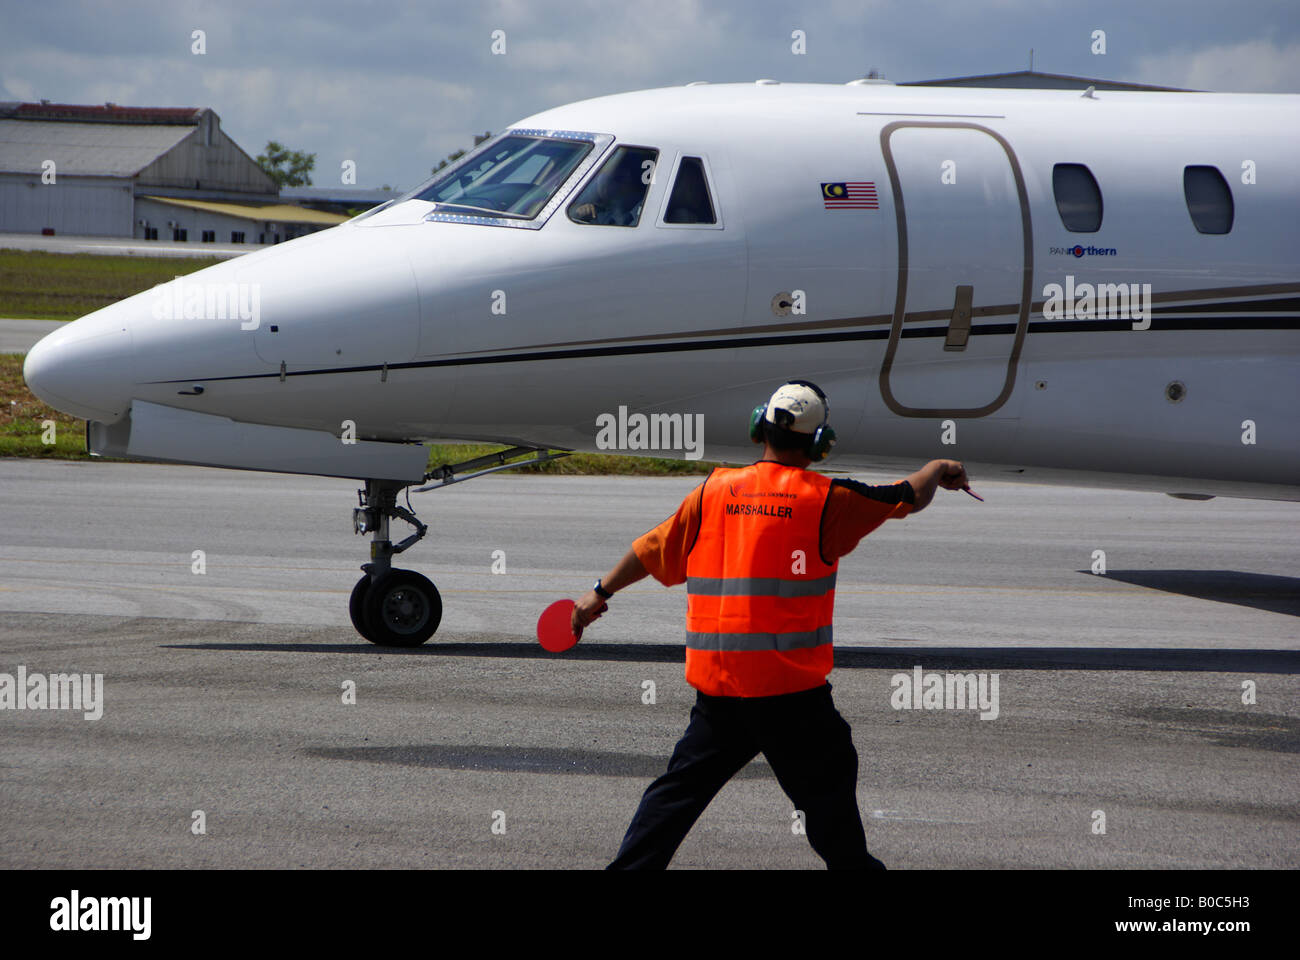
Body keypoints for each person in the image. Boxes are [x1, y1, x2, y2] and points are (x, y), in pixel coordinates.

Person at [572, 380, 971, 869]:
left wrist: (599, 593)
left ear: (759, 426)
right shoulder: (829, 499)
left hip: (719, 691)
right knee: (829, 789)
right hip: (790, 699)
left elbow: (651, 549)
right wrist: (939, 468)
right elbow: (907, 494)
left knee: (675, 797)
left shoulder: (713, 491)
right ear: (820, 443)